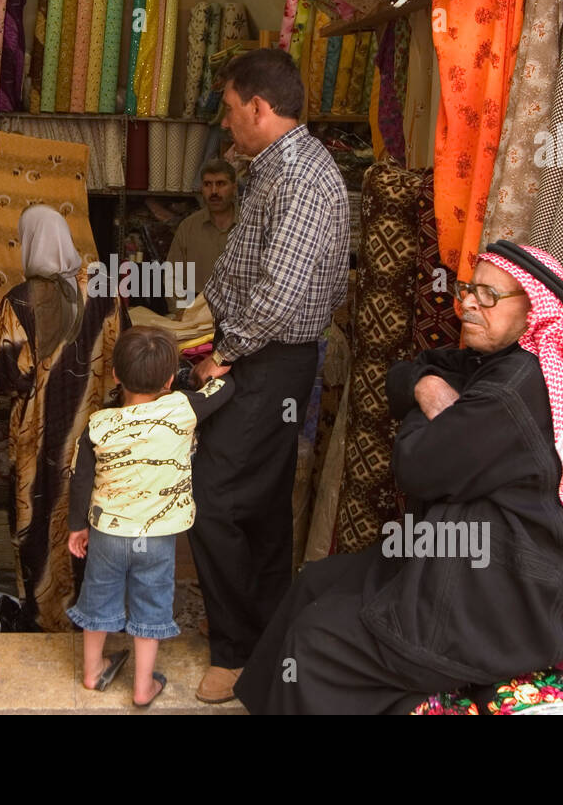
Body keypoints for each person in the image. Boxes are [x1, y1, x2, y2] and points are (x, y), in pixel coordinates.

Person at [234, 242, 563, 714]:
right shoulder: (501, 360)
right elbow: (409, 371)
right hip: (466, 554)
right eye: (467, 290)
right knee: (315, 581)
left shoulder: (510, 393)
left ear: (532, 310)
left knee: (314, 645)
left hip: (504, 600)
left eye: (488, 295)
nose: (469, 304)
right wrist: (428, 388)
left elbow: (416, 467)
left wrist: (427, 403)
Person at [187, 48, 350, 703]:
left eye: (229, 111)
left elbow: (279, 294)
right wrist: (198, 324)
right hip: (257, 352)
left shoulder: (303, 177)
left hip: (270, 360)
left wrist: (225, 353)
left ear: (259, 107)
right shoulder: (270, 169)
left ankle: (234, 651)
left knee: (213, 497)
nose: (226, 124)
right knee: (256, 503)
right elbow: (241, 267)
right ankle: (264, 641)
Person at [65, 326, 235, 706]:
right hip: (157, 538)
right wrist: (209, 370)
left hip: (108, 533)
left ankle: (93, 672)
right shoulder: (183, 407)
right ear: (170, 378)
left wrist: (77, 527)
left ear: (115, 376)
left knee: (98, 598)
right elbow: (225, 391)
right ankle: (143, 685)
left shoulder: (98, 426)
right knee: (151, 602)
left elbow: (80, 481)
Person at [0, 204, 128, 632]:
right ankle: (100, 615)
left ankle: (47, 616)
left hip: (41, 439)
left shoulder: (19, 300)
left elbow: (11, 375)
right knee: (96, 515)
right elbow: (121, 361)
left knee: (41, 518)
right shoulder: (104, 289)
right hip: (97, 430)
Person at [165, 159, 239, 312]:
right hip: (195, 309)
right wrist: (181, 313)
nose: (214, 192)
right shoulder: (188, 227)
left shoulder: (250, 225)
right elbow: (172, 276)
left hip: (239, 311)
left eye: (221, 184)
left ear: (234, 188)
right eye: (207, 184)